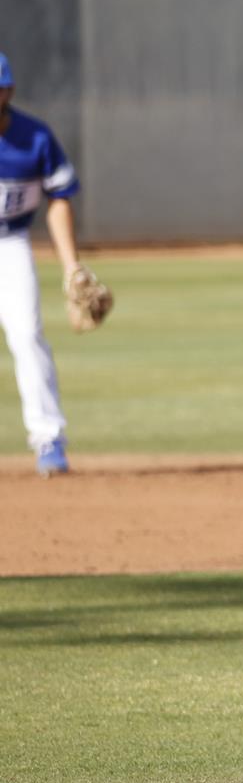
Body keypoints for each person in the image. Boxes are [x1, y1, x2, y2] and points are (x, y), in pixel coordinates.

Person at [0, 50, 83, 476]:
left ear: (8, 90)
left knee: (28, 335)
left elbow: (59, 199)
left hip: (9, 244)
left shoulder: (34, 138)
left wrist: (70, 266)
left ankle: (48, 437)